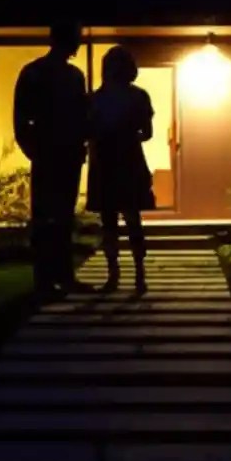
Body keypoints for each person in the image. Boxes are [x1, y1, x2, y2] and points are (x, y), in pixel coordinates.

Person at [13, 21, 94, 297]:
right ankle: (45, 281)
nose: (79, 43)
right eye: (76, 38)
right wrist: (34, 150)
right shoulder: (35, 74)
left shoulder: (74, 76)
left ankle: (64, 276)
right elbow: (22, 119)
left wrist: (83, 140)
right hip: (49, 154)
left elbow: (82, 116)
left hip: (69, 154)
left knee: (62, 218)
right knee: (47, 218)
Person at [87, 46, 154, 293]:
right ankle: (139, 276)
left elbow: (87, 131)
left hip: (104, 163)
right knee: (133, 220)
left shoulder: (95, 99)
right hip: (129, 161)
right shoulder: (139, 97)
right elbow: (146, 133)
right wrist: (128, 134)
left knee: (109, 224)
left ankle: (113, 276)